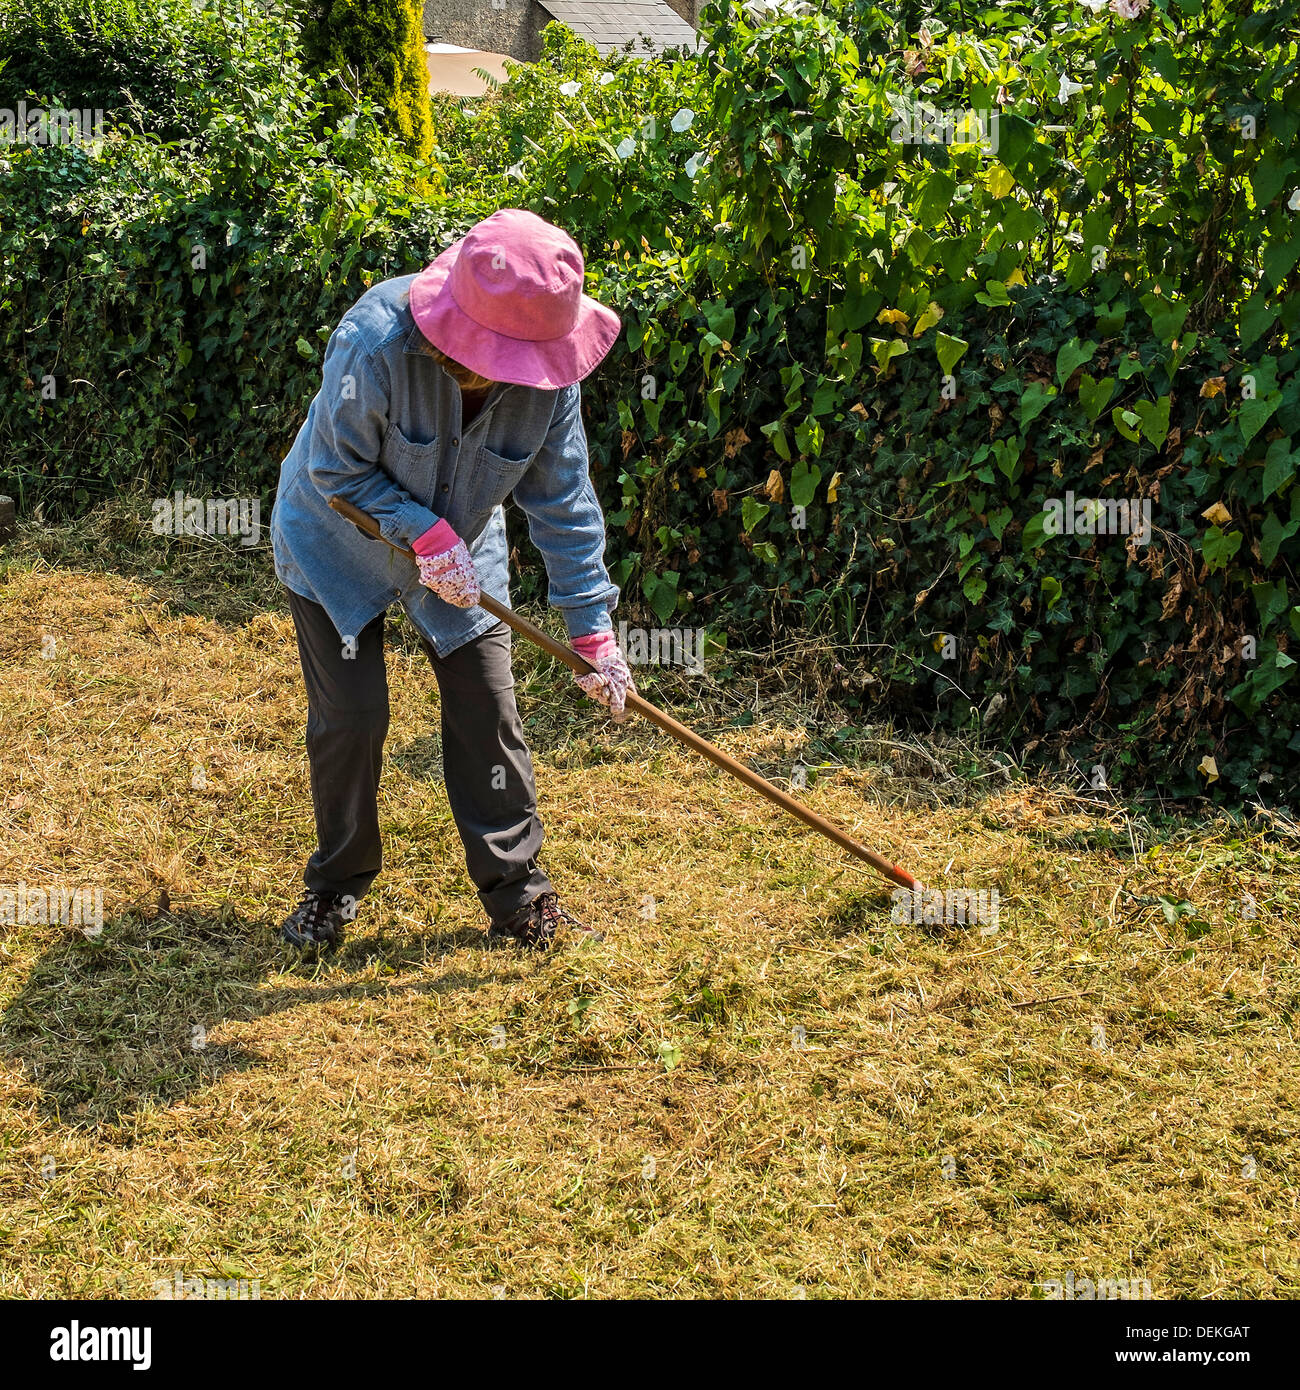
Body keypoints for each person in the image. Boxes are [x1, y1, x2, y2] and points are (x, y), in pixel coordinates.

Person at [270, 208, 634, 952]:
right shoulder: (373, 344)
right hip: (336, 542)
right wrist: (421, 532)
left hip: (467, 554)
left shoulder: (549, 376)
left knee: (486, 709)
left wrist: (591, 626)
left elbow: (564, 500)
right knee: (354, 717)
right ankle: (335, 888)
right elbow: (333, 468)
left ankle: (519, 897)